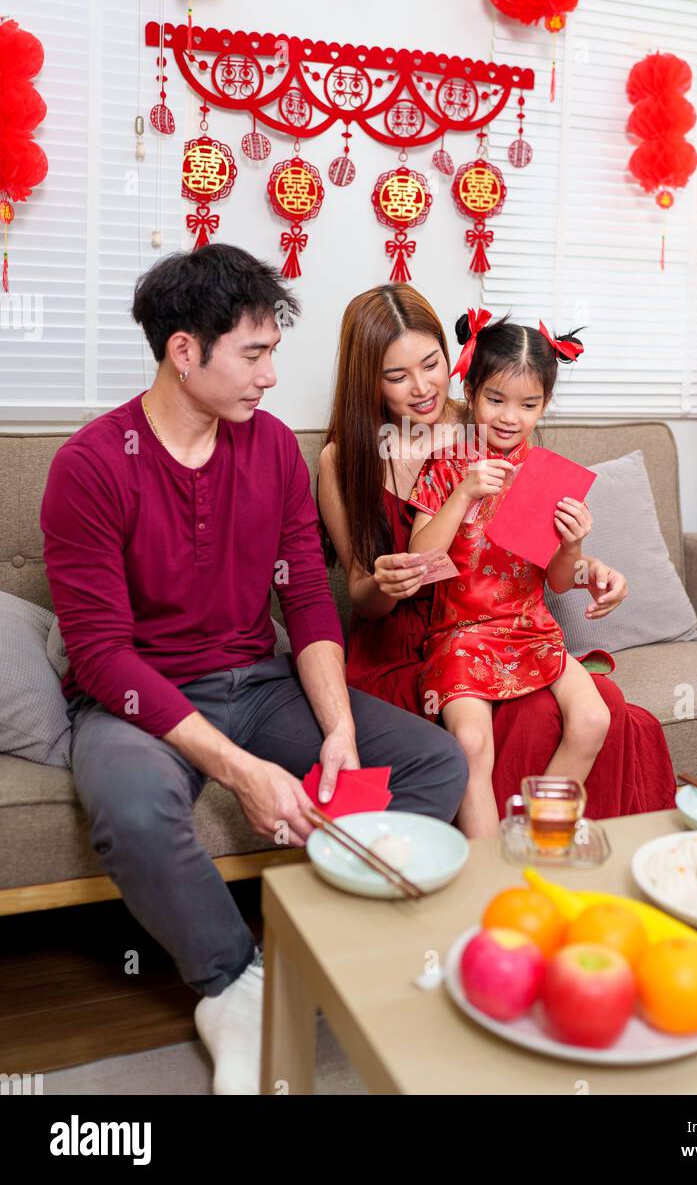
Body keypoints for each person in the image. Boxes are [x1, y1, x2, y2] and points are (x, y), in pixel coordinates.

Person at [39, 245, 468, 1096]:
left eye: (274, 352)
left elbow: (307, 598)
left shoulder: (271, 450)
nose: (272, 377)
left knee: (436, 759)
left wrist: (339, 724)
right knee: (130, 801)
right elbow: (100, 654)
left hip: (260, 680)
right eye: (255, 353)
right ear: (184, 352)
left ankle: (300, 955)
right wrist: (241, 773)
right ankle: (232, 984)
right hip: (136, 703)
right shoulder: (89, 466)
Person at [317, 284, 677, 820]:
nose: (421, 388)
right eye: (396, 376)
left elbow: (535, 553)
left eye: (431, 364)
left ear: (456, 361)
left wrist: (589, 569)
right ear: (366, 380)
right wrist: (387, 582)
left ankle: (542, 855)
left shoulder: (492, 415)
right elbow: (362, 597)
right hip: (402, 645)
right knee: (480, 734)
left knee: (599, 712)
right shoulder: (342, 460)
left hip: (502, 626)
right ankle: (486, 872)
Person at [407, 311, 612, 837]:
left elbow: (561, 581)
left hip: (529, 628)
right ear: (470, 391)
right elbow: (420, 565)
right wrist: (463, 494)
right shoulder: (445, 467)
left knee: (593, 718)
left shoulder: (547, 475)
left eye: (528, 405)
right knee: (471, 742)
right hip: (462, 634)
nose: (509, 417)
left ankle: (530, 837)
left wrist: (575, 544)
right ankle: (485, 867)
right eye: (495, 399)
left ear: (544, 405)